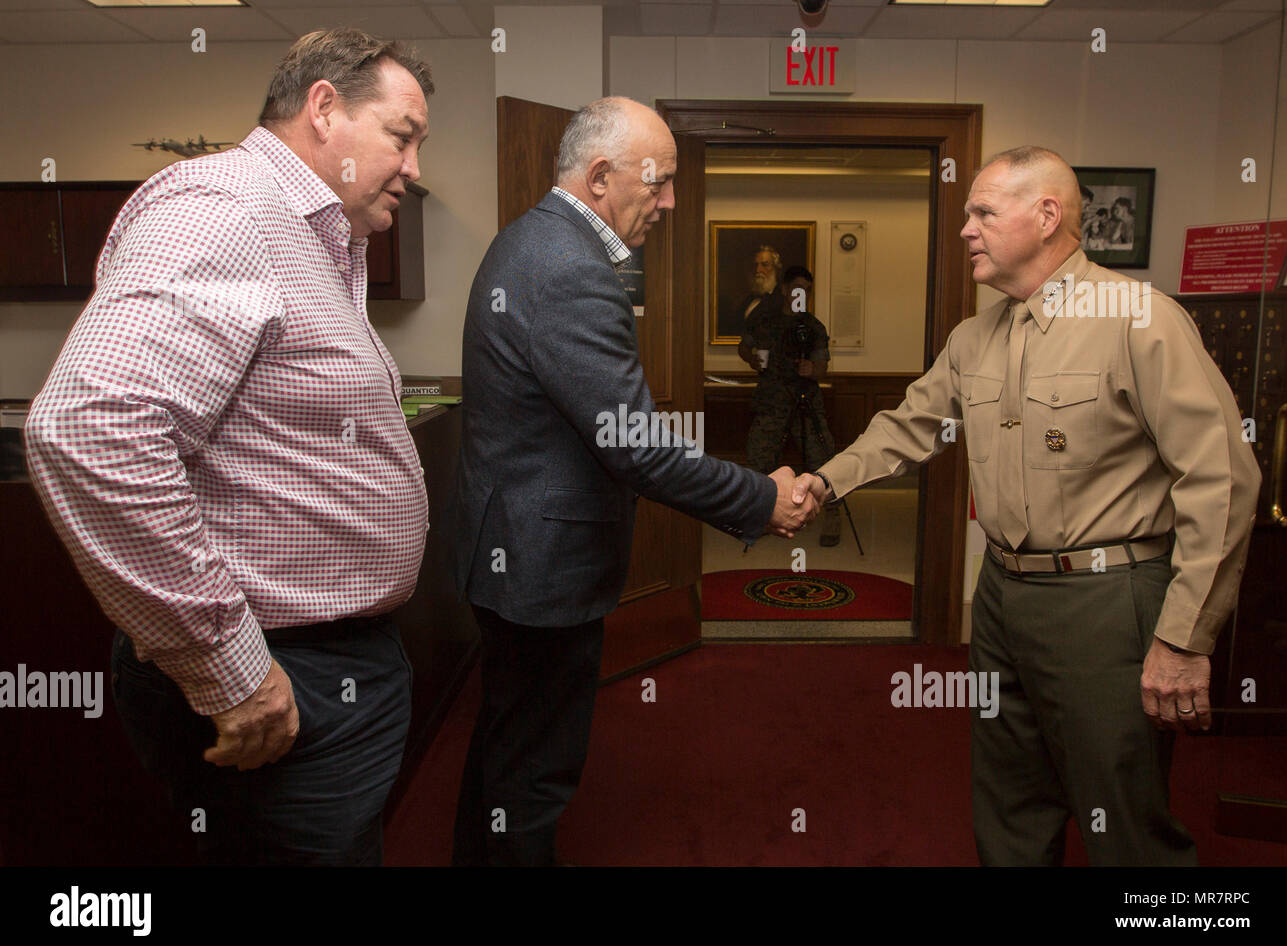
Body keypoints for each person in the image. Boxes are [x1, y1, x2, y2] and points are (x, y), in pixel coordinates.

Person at [24, 29, 436, 865]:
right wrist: (232, 670)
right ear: (324, 108)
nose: (415, 167)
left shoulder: (314, 237)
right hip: (282, 675)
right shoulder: (229, 209)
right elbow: (93, 426)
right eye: (403, 135)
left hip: (329, 665)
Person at [794, 145, 1260, 865]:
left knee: (1126, 825)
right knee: (1009, 811)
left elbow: (1222, 479)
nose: (965, 229)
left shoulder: (1139, 318)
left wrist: (1184, 636)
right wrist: (821, 484)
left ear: (1047, 216)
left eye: (983, 211)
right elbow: (909, 426)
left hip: (1106, 603)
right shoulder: (976, 337)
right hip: (1003, 597)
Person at [449, 96, 819, 866]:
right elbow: (639, 448)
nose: (671, 201)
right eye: (659, 182)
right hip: (541, 568)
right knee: (531, 774)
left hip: (513, 554)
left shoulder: (530, 243)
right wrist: (764, 497)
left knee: (507, 751)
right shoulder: (567, 267)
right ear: (598, 177)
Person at [741, 266, 842, 546]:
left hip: (805, 401)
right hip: (772, 401)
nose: (802, 294)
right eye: (797, 288)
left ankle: (833, 516)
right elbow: (743, 347)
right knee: (759, 461)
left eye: (807, 290)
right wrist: (751, 360)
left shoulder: (813, 327)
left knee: (823, 460)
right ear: (785, 289)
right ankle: (758, 517)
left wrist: (813, 369)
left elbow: (822, 366)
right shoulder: (763, 320)